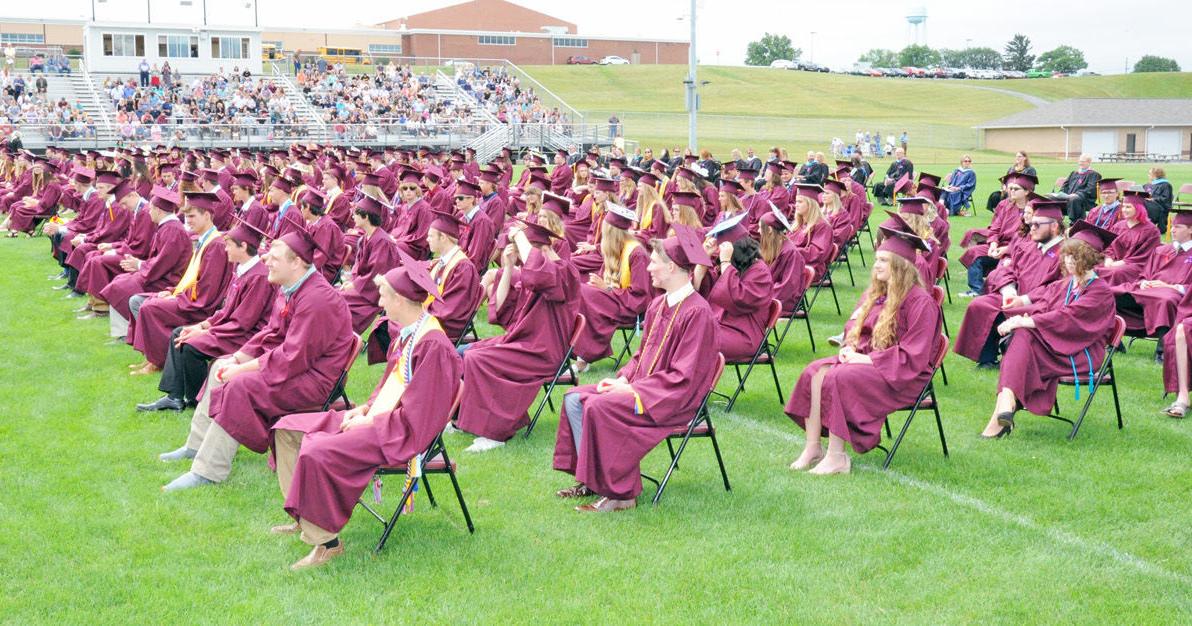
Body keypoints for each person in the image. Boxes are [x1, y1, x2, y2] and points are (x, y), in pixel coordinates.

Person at [268, 254, 462, 570]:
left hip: (402, 433)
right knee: (287, 428)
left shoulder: (434, 346)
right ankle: (305, 516)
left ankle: (326, 542)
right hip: (381, 418)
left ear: (400, 299)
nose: (379, 302)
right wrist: (364, 409)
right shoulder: (410, 332)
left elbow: (420, 416)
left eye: (384, 295)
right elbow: (390, 387)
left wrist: (369, 421)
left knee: (317, 450)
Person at [160, 229, 355, 491]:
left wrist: (244, 369)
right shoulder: (292, 288)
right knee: (220, 364)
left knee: (240, 385)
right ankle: (197, 445)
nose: (265, 260)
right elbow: (271, 333)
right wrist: (239, 358)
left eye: (274, 257)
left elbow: (292, 358)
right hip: (297, 369)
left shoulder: (318, 300)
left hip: (314, 380)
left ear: (296, 262)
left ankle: (209, 470)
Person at [553, 225, 719, 511]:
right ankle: (594, 480)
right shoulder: (658, 304)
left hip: (672, 400)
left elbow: (683, 377)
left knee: (599, 406)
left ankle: (621, 495)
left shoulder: (698, 313)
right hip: (643, 388)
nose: (649, 266)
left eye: (654, 261)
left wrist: (631, 388)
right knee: (574, 399)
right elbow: (641, 356)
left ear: (672, 268)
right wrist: (622, 378)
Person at [785, 227, 942, 474]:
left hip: (904, 375)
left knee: (839, 376)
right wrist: (850, 348)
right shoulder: (877, 294)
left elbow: (915, 356)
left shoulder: (921, 302)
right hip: (870, 362)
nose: (876, 265)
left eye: (883, 261)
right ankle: (813, 447)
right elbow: (854, 325)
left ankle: (837, 457)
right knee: (814, 372)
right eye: (876, 259)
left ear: (900, 266)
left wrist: (864, 360)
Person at [977, 221, 1117, 438]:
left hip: (1081, 352)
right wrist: (1019, 307)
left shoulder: (1100, 292)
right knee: (1023, 336)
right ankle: (1005, 402)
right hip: (1055, 346)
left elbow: (1067, 317)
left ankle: (1005, 405)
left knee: (1023, 336)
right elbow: (1043, 300)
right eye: (1068, 255)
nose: (1069, 261)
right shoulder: (1067, 284)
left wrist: (1021, 322)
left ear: (1090, 260)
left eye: (1076, 257)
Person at [456, 219, 580, 451]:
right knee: (465, 351)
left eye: (526, 256)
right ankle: (462, 419)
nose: (525, 263)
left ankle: (495, 433)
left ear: (542, 250)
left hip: (543, 352)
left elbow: (538, 274)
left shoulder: (565, 272)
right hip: (523, 342)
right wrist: (509, 267)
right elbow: (501, 309)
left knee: (478, 359)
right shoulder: (538, 274)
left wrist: (521, 239)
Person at [137, 220, 276, 412]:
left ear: (243, 246)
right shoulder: (242, 270)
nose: (225, 248)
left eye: (228, 244)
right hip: (232, 327)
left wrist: (206, 332)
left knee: (191, 345)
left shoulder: (258, 277)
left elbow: (242, 322)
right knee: (181, 333)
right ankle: (174, 397)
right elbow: (226, 311)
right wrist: (201, 326)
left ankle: (198, 400)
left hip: (245, 335)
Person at [127, 191, 234, 376]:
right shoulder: (205, 241)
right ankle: (151, 357)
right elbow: (192, 278)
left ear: (207, 215)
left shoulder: (215, 245)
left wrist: (177, 296)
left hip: (200, 306)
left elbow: (207, 290)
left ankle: (158, 361)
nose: (188, 220)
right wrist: (172, 291)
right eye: (186, 216)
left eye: (192, 216)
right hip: (190, 296)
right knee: (139, 301)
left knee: (149, 308)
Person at [953, 202, 1066, 368]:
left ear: (1055, 226)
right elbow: (1008, 270)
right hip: (1016, 297)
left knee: (1000, 310)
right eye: (1031, 222)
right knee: (980, 304)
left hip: (1043, 305)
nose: (1031, 227)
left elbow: (1059, 287)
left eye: (1037, 224)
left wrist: (1025, 299)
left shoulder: (1066, 253)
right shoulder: (1028, 247)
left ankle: (1013, 356)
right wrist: (1009, 291)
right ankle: (987, 360)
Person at [93, 188, 192, 340]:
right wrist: (140, 264)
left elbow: (163, 263)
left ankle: (128, 332)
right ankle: (125, 330)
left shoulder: (172, 230)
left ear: (159, 210)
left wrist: (139, 265)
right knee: (120, 280)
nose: (149, 211)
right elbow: (160, 260)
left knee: (121, 286)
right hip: (159, 274)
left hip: (169, 280)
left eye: (151, 209)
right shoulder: (167, 227)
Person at [572, 203, 652, 370]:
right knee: (581, 291)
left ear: (614, 233)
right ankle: (579, 352)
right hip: (615, 300)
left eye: (606, 231)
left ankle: (583, 358)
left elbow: (641, 297)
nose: (602, 235)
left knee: (585, 293)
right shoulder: (614, 249)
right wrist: (597, 285)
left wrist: (606, 289)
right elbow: (603, 279)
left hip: (631, 308)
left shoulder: (637, 254)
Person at [695, 214, 774, 361]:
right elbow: (698, 289)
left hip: (743, 334)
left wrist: (725, 262)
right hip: (718, 326)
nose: (719, 256)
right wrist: (702, 260)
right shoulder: (735, 267)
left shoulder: (759, 272)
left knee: (693, 342)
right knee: (683, 335)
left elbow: (735, 298)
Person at [1110, 206, 1192, 344]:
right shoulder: (1161, 250)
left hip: (1176, 296)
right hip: (1149, 292)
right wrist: (1143, 282)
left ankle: (1163, 349)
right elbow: (1145, 274)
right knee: (1109, 294)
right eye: (1172, 226)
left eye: (1178, 227)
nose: (1172, 230)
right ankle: (1114, 341)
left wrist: (1173, 287)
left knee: (1166, 300)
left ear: (1191, 229)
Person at [958, 173, 1037, 297]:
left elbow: (1030, 241)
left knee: (1003, 267)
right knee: (974, 252)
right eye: (1010, 188)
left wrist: (1007, 250)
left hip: (1018, 250)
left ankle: (997, 293)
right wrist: (993, 245)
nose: (1011, 191)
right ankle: (978, 290)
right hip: (999, 244)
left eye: (1016, 189)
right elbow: (995, 229)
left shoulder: (1033, 210)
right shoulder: (1005, 206)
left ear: (1027, 192)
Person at [341, 193, 401, 334]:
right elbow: (357, 266)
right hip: (362, 287)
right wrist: (352, 281)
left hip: (372, 293)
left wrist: (355, 285)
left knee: (337, 301)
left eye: (355, 213)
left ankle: (341, 338)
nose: (352, 216)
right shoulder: (365, 238)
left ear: (366, 216)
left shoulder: (383, 242)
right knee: (333, 296)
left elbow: (376, 273)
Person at [1096, 190, 1161, 287]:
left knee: (1115, 272)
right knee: (1093, 267)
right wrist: (1108, 258)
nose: (1124, 210)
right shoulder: (1118, 226)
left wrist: (1122, 262)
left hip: (1137, 265)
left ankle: (1111, 297)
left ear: (1139, 209)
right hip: (1114, 262)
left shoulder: (1151, 230)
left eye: (1128, 207)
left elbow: (1146, 255)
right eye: (1123, 207)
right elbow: (1110, 247)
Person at [1052, 154, 1101, 222]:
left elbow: (1091, 189)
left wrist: (1077, 194)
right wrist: (1062, 193)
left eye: (1083, 161)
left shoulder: (1094, 174)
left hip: (1084, 200)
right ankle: (1054, 219)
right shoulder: (1074, 173)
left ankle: (1075, 222)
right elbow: (1065, 185)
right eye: (1080, 161)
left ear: (1089, 162)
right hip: (1068, 197)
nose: (1081, 163)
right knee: (1049, 197)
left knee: (1074, 199)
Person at [1144, 167, 1174, 233]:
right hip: (1149, 205)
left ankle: (1146, 226)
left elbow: (1165, 198)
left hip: (1160, 207)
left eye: (1149, 173)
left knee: (1144, 205)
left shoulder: (1166, 185)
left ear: (1156, 175)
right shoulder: (1148, 185)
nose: (1148, 175)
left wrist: (1153, 199)